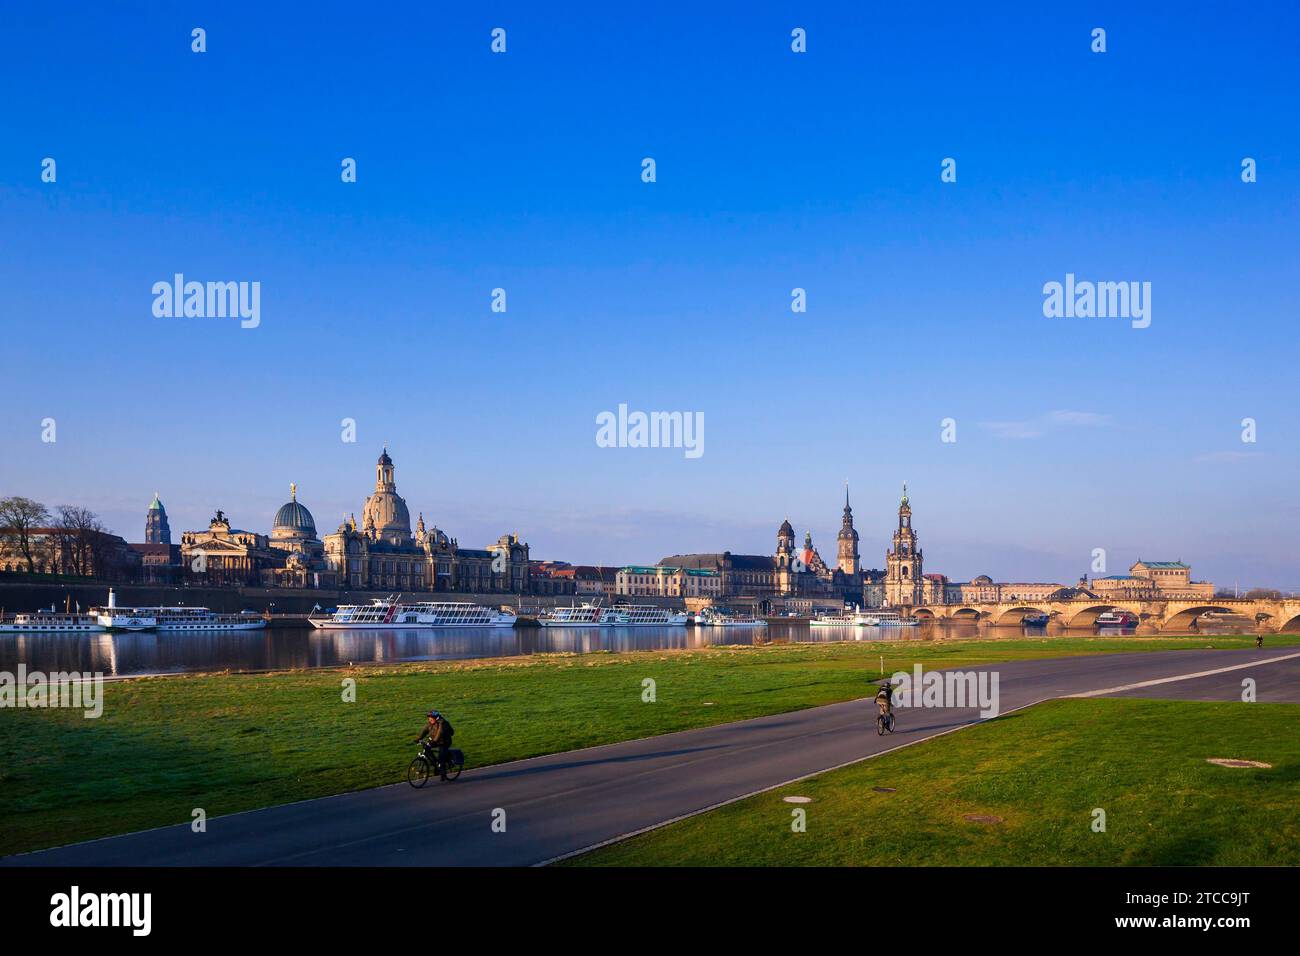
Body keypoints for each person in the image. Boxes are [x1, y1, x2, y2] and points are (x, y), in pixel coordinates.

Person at [414, 710, 455, 780]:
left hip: (444, 742)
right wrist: (418, 738)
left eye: (431, 718)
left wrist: (434, 741)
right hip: (435, 741)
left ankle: (443, 773)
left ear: (436, 718)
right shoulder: (430, 723)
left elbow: (440, 733)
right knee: (426, 748)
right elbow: (424, 730)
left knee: (441, 756)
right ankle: (435, 764)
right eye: (429, 718)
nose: (430, 719)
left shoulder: (442, 723)